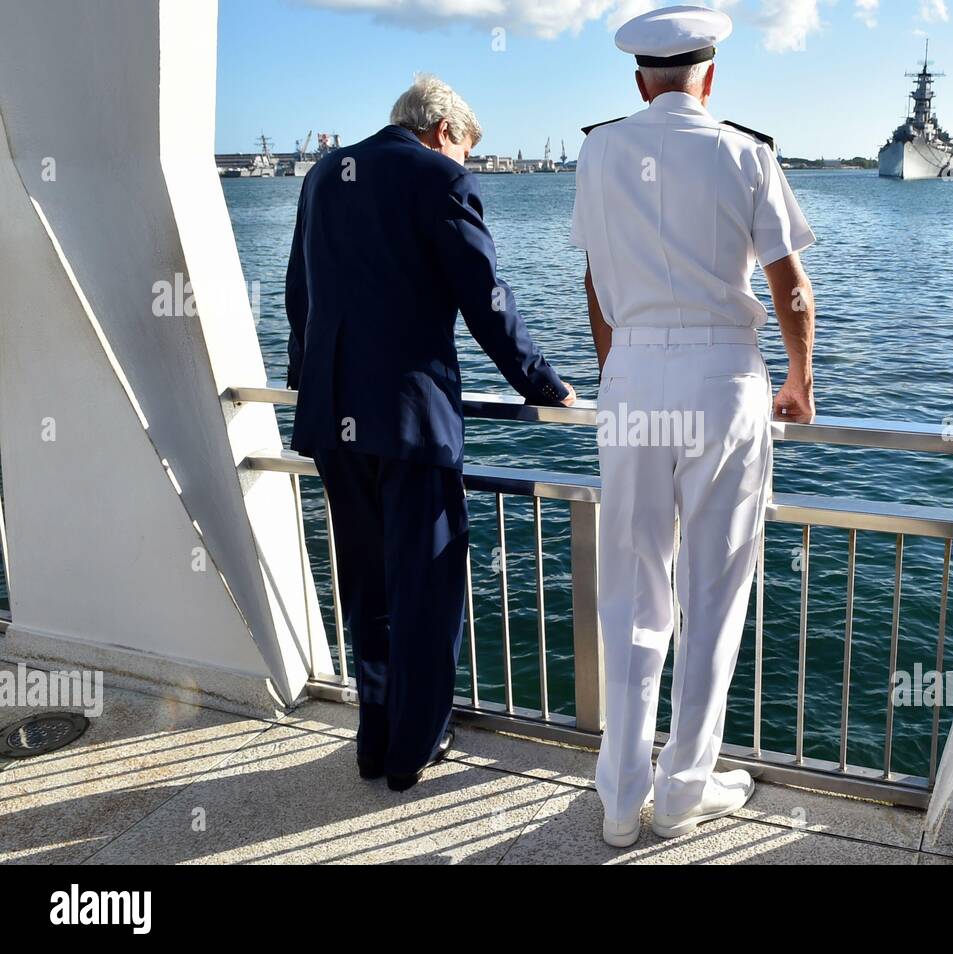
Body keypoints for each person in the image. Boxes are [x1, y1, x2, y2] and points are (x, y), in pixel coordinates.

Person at [286, 74, 574, 792]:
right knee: (427, 586)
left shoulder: (323, 175)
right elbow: (487, 298)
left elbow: (299, 296)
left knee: (368, 589)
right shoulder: (440, 177)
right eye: (467, 151)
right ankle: (415, 748)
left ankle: (373, 740)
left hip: (332, 419)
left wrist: (309, 382)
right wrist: (544, 385)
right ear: (444, 129)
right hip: (411, 423)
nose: (466, 166)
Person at [571, 5, 817, 846]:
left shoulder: (598, 150)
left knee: (633, 589)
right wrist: (800, 380)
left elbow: (597, 287)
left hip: (633, 377)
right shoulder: (746, 153)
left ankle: (617, 797)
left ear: (639, 78)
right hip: (723, 379)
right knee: (713, 591)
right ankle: (682, 793)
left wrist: (619, 376)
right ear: (709, 76)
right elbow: (790, 288)